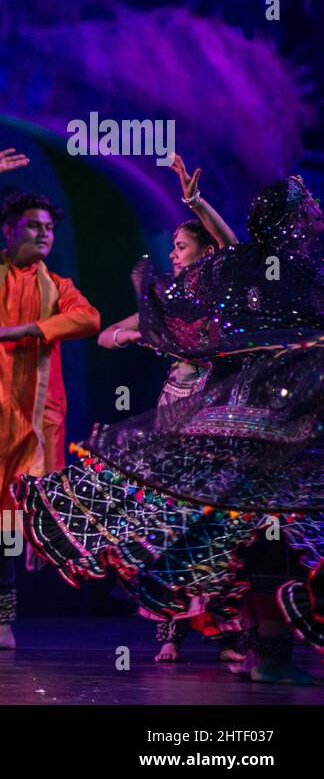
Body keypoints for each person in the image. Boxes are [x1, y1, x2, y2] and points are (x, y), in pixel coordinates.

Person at [19, 174, 324, 684]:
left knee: (246, 533)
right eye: (308, 211)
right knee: (269, 534)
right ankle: (269, 657)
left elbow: (197, 297)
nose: (314, 219)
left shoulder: (236, 266)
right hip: (274, 426)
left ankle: (258, 653)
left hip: (229, 424)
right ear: (291, 223)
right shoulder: (294, 273)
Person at [0, 148, 101, 650]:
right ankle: (0, 626)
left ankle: (165, 611)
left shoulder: (60, 288)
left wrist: (29, 328)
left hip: (38, 425)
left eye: (49, 227)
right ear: (8, 230)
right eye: (32, 225)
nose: (43, 233)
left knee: (42, 520)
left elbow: (90, 319)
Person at [97, 153, 244, 663]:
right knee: (172, 516)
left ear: (203, 250)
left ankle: (223, 628)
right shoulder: (167, 297)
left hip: (212, 409)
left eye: (182, 246)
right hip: (172, 410)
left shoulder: (218, 287)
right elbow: (104, 335)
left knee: (212, 517)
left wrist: (193, 200)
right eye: (173, 248)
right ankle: (171, 627)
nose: (175, 255)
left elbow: (230, 244)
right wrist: (133, 336)